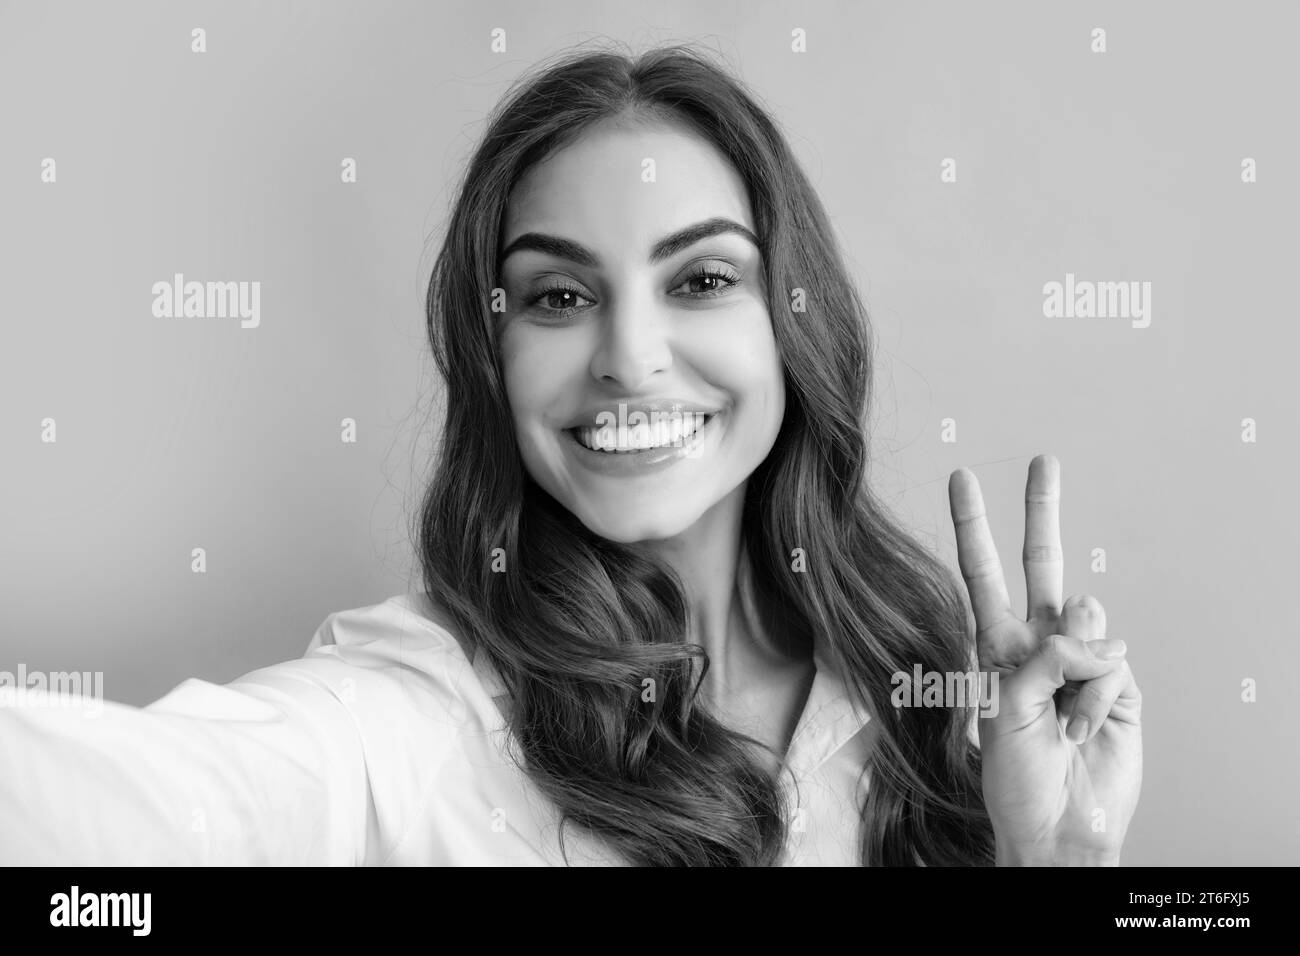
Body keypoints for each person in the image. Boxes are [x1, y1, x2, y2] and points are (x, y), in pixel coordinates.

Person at [0, 42, 1141, 867]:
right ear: (491, 354)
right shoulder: (414, 712)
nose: (630, 358)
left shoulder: (931, 690)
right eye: (558, 294)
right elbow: (122, 799)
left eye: (699, 279)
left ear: (794, 321)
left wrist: (1063, 858)